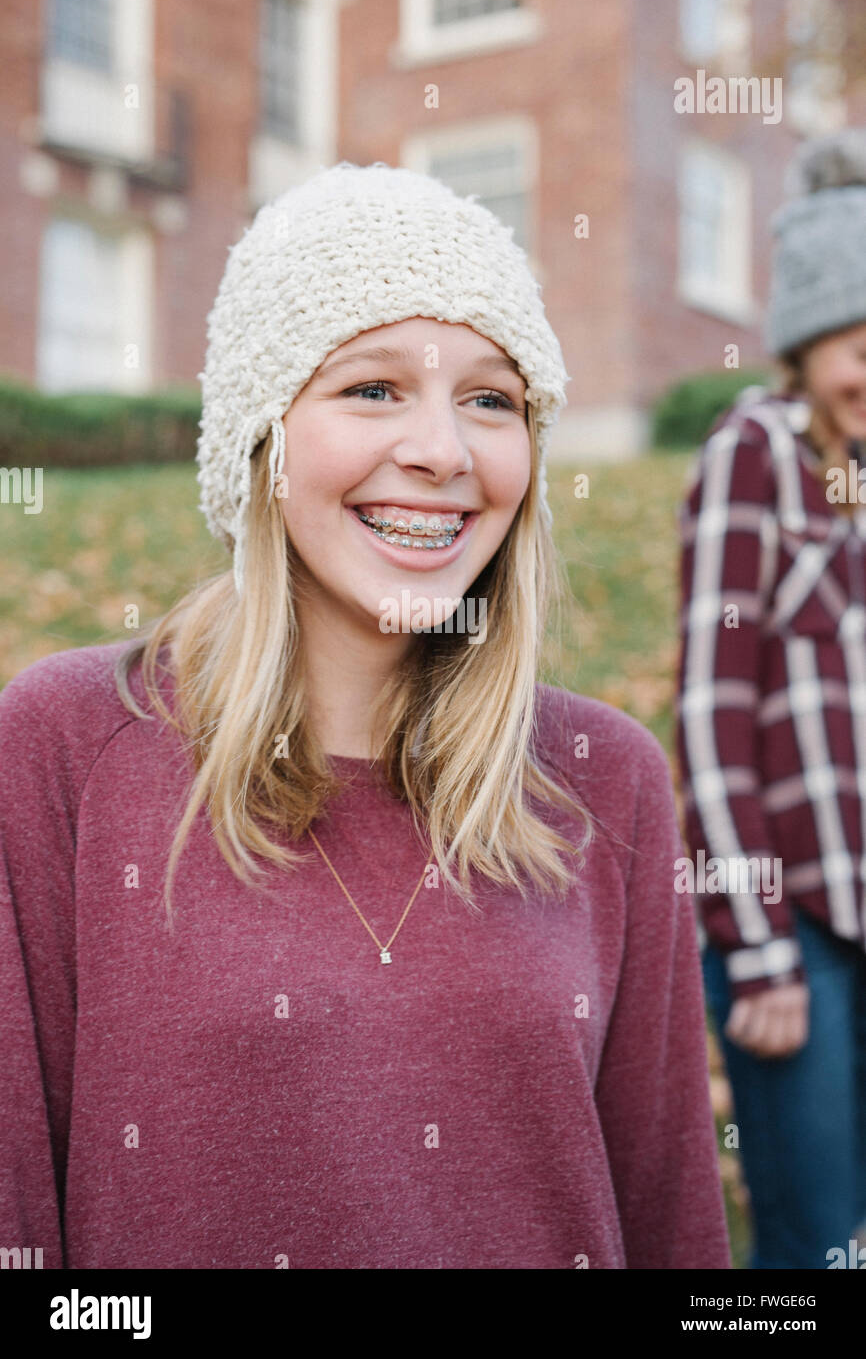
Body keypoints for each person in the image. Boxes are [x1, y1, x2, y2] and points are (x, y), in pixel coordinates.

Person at [0, 162, 728, 1269]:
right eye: (372, 388)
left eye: (490, 398)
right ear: (263, 438)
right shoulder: (65, 745)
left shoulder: (605, 775)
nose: (442, 450)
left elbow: (673, 1224)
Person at [676, 129, 866, 1270]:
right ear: (803, 338)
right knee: (815, 1246)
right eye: (855, 336)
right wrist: (754, 944)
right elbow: (709, 713)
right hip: (796, 928)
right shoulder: (753, 452)